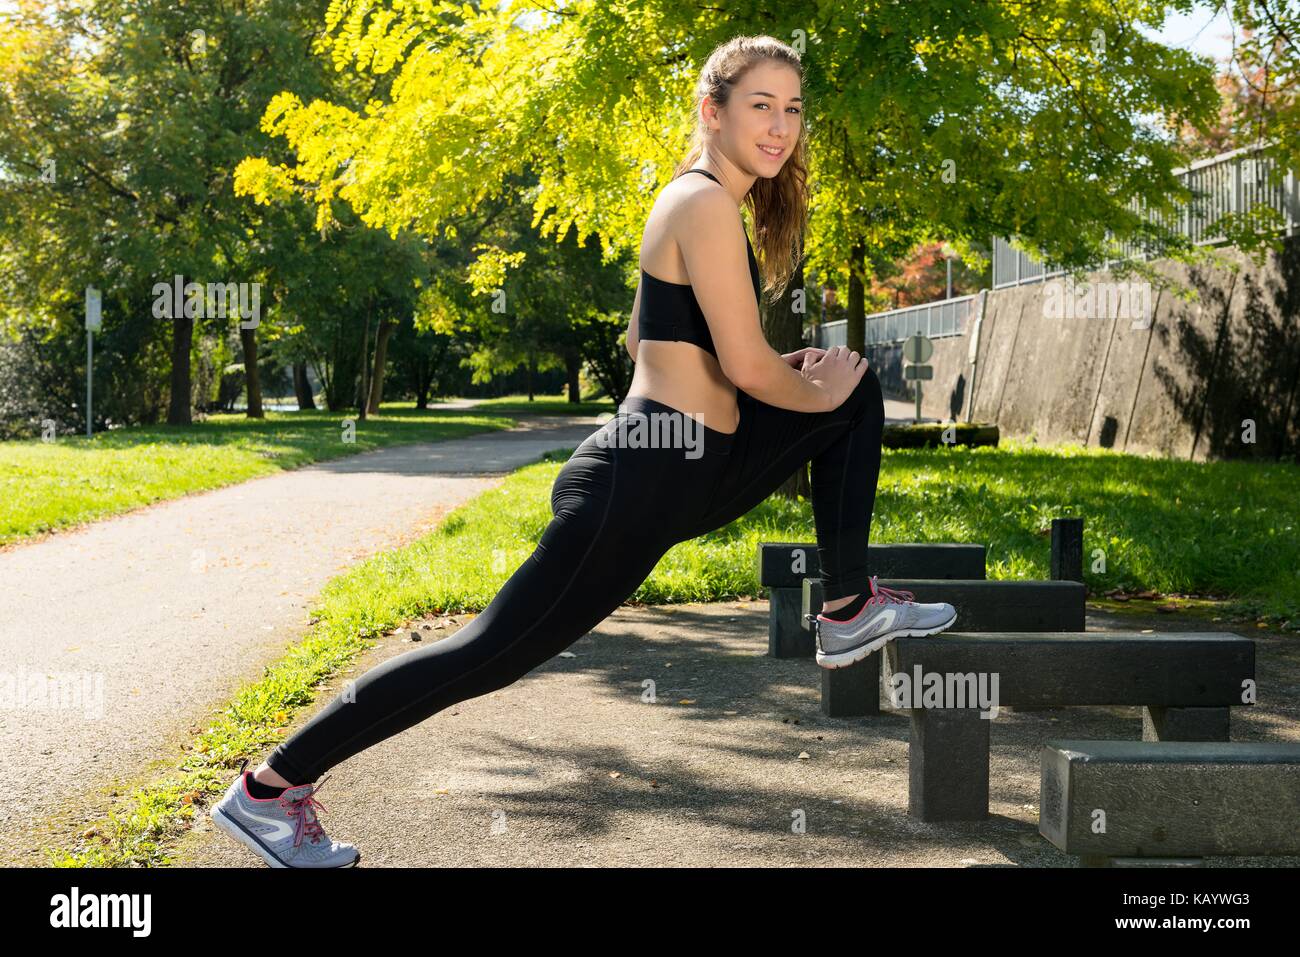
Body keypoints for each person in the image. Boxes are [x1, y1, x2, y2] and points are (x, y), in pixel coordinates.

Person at [210, 34, 956, 868]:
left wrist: (795, 376)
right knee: (487, 652)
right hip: (640, 481)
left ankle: (849, 606)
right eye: (761, 106)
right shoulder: (702, 199)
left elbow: (652, 339)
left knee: (848, 393)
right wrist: (806, 384)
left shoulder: (706, 201)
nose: (781, 126)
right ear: (713, 112)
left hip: (691, 468)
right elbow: (741, 366)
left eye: (792, 109)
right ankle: (269, 790)